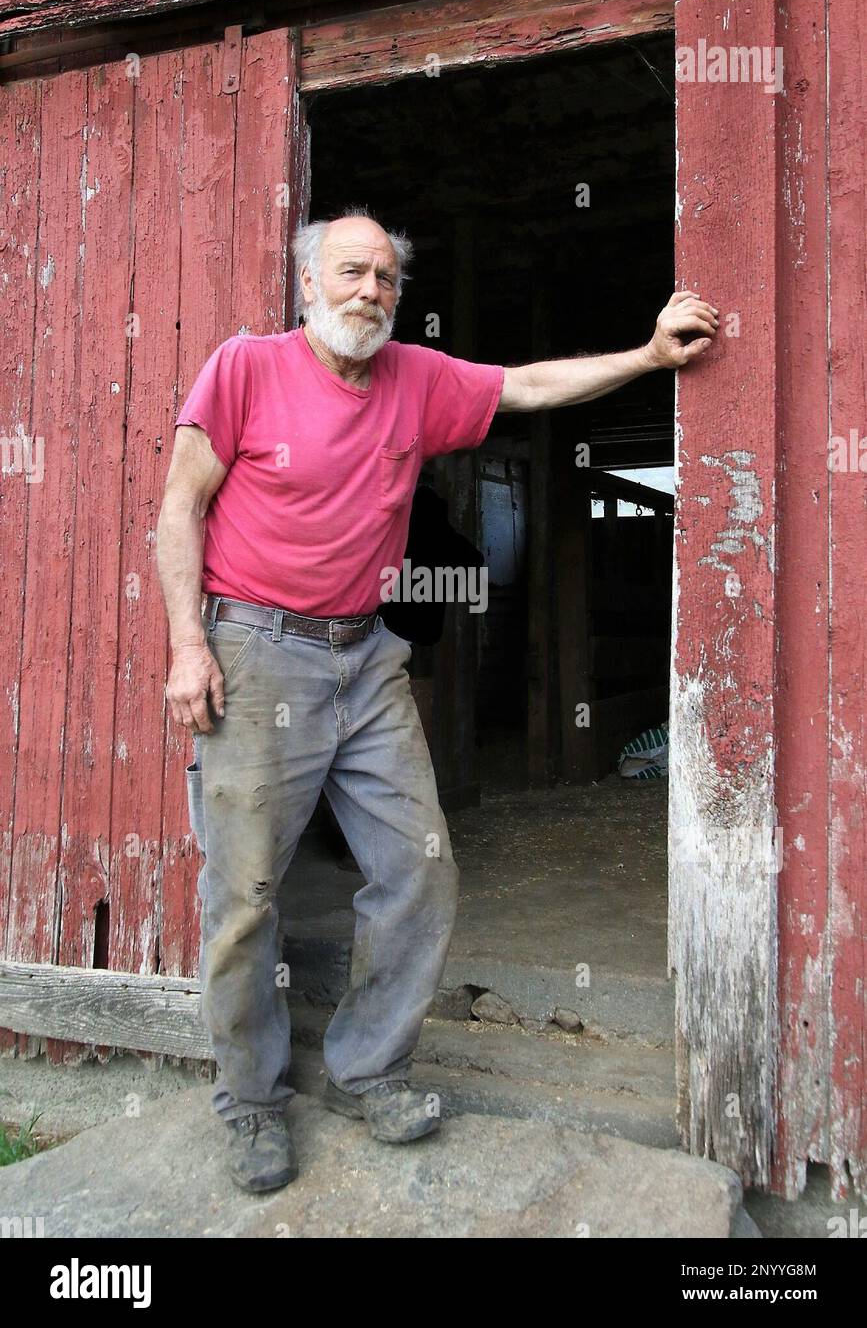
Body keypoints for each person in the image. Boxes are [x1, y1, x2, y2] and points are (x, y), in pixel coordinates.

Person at [156, 206, 718, 1193]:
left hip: (366, 653)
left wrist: (646, 355)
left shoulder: (416, 379)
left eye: (385, 277)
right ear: (308, 284)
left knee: (418, 867)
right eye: (349, 271)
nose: (368, 290)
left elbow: (530, 385)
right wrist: (188, 645)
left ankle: (369, 1067)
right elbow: (180, 507)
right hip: (254, 646)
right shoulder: (245, 367)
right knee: (244, 893)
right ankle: (249, 1102)